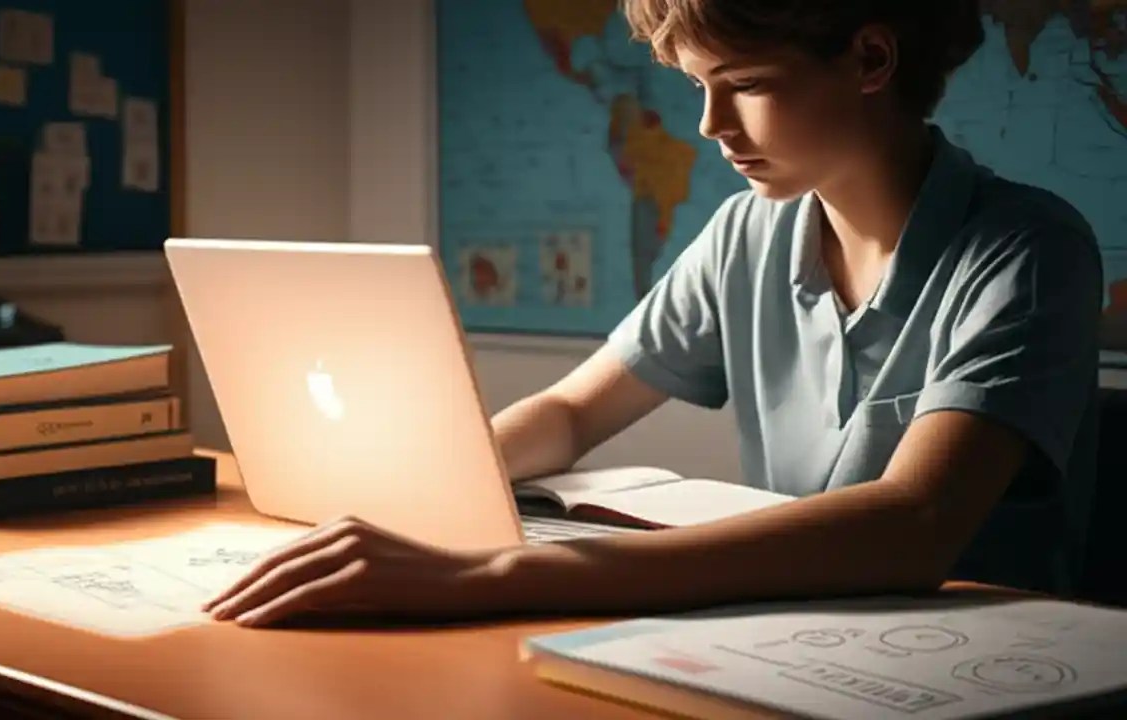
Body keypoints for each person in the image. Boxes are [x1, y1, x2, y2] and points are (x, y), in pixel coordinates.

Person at [203, 0, 1104, 628]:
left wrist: (498, 571)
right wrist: (409, 498)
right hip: (785, 636)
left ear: (871, 59)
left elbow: (912, 526)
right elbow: (570, 412)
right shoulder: (748, 232)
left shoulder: (1027, 250)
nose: (710, 124)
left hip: (978, 666)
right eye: (696, 85)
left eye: (745, 82)